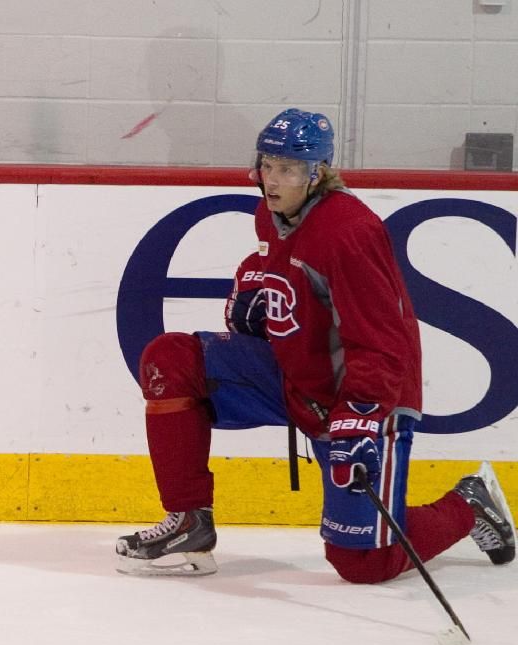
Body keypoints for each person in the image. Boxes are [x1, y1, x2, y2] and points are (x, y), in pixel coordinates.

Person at [116, 109, 515, 581]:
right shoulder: (271, 214)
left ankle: (469, 504)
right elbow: (297, 282)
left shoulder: (349, 232)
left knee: (362, 564)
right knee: (172, 359)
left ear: (317, 173)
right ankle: (188, 522)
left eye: (287, 168)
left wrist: (360, 414)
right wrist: (259, 296)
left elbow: (383, 342)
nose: (272, 179)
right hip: (295, 375)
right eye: (267, 165)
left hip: (366, 394)